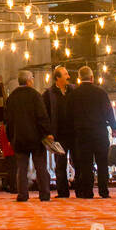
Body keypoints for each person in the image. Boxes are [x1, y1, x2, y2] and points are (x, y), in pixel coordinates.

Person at [63, 65, 116, 199]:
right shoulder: (101, 93)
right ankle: (103, 191)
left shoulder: (74, 95)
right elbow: (108, 111)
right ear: (92, 78)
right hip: (99, 132)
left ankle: (88, 192)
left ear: (79, 78)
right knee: (102, 163)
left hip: (82, 134)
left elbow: (68, 115)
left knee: (85, 164)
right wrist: (114, 128)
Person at [3, 69, 53, 202]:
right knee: (40, 167)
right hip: (36, 138)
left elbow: (8, 121)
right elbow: (42, 116)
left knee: (22, 168)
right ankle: (44, 194)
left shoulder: (12, 97)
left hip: (19, 138)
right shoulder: (35, 95)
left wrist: (10, 138)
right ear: (29, 81)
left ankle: (23, 195)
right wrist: (47, 133)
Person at [42, 65, 75, 198]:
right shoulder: (48, 94)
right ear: (57, 78)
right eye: (66, 74)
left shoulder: (73, 90)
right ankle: (63, 192)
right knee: (60, 165)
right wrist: (48, 132)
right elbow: (45, 115)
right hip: (58, 134)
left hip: (73, 133)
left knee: (77, 161)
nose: (68, 76)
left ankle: (81, 189)